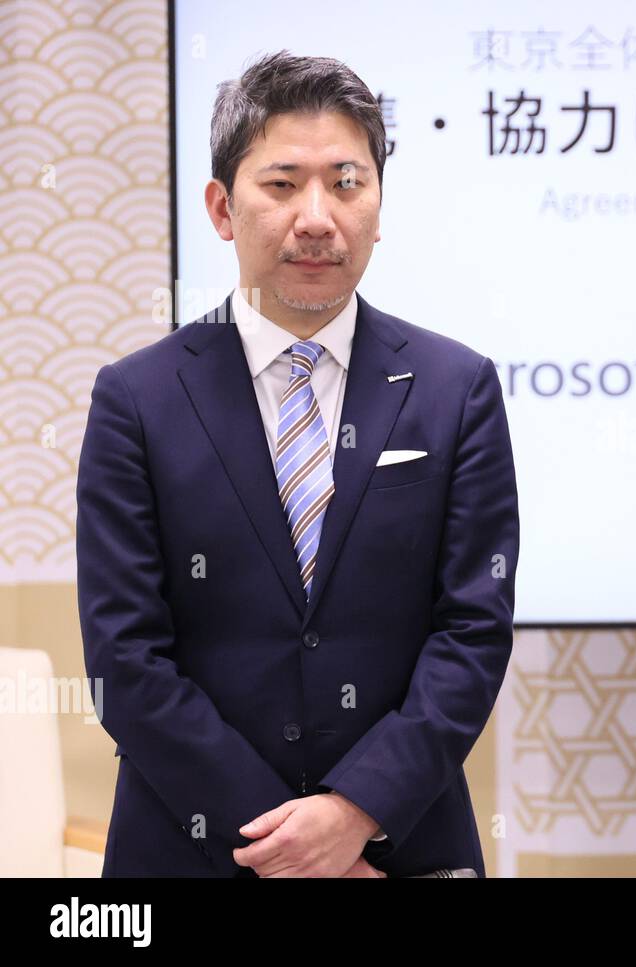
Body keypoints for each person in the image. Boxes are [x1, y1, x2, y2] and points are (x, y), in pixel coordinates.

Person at [77, 51, 519, 877]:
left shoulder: (457, 389)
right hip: (191, 849)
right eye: (282, 184)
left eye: (346, 182)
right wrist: (289, 847)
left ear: (379, 207)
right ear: (221, 206)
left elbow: (472, 634)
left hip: (400, 848)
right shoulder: (137, 398)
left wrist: (355, 814)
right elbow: (124, 658)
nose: (317, 216)